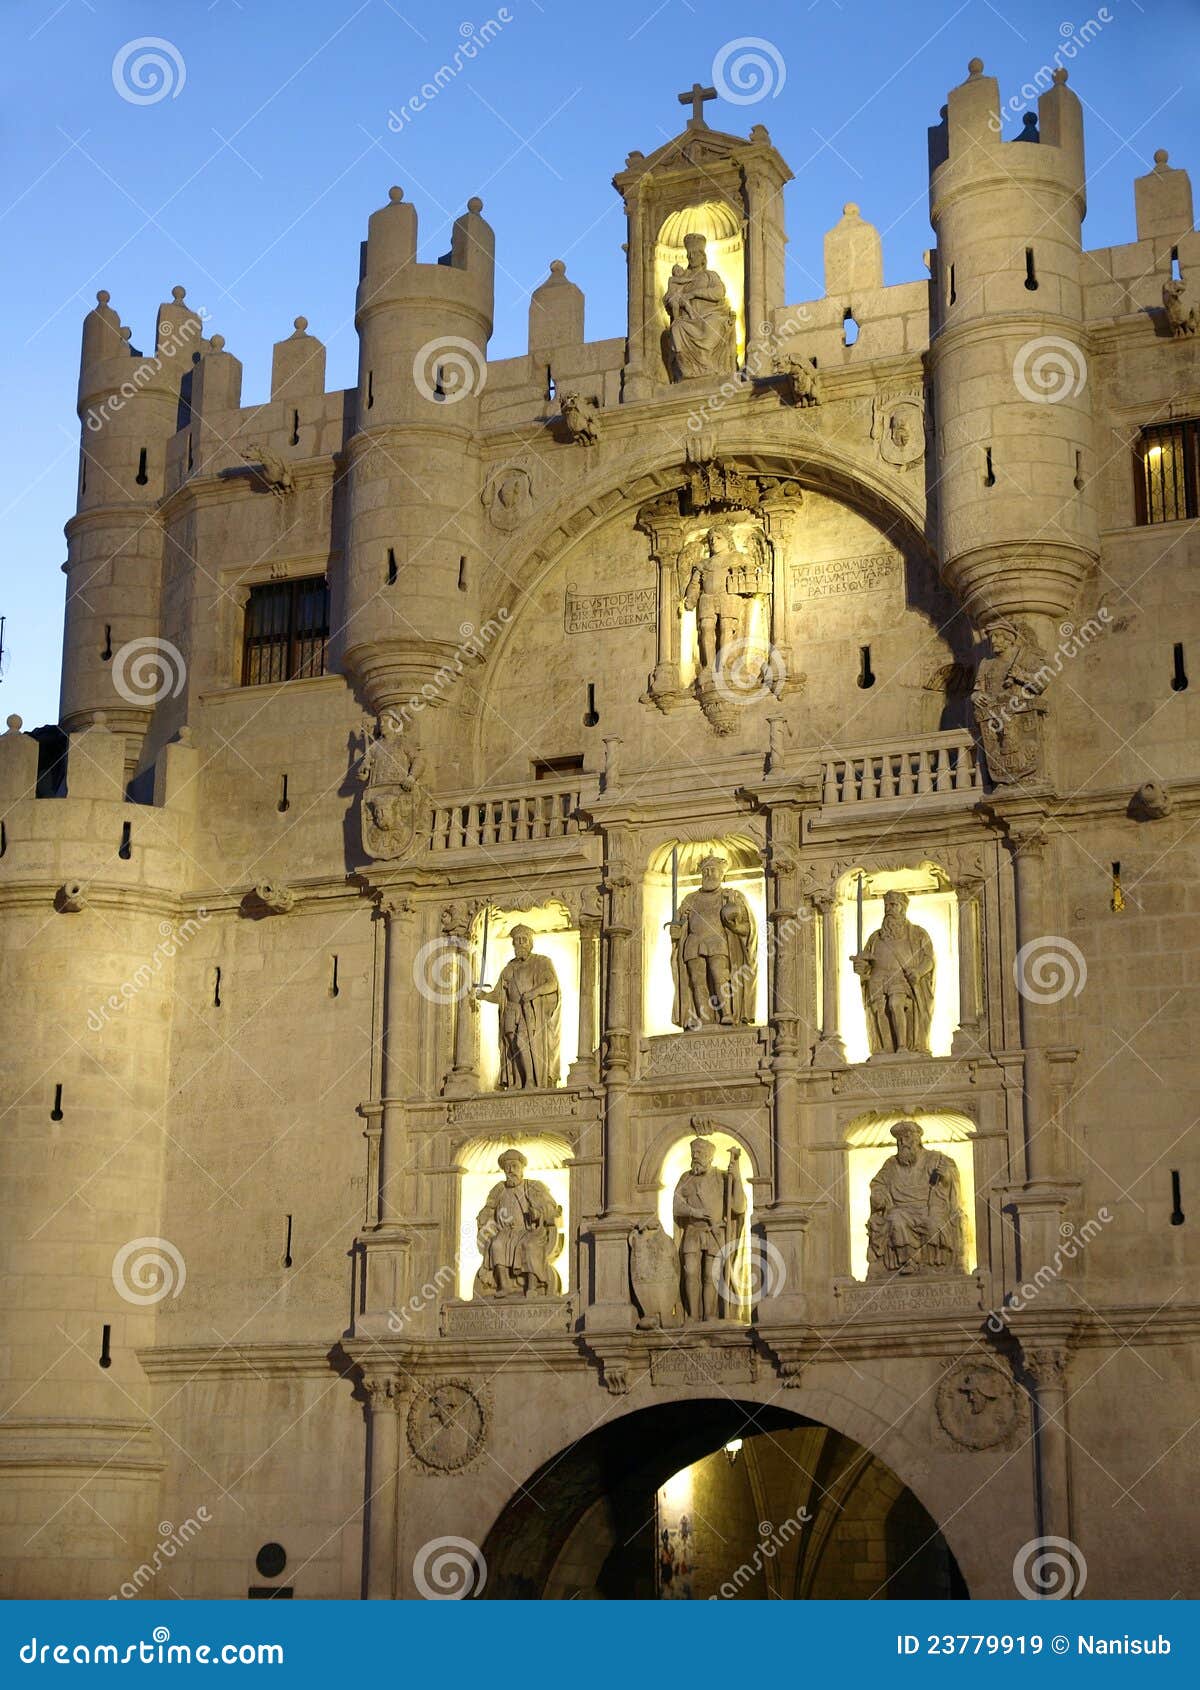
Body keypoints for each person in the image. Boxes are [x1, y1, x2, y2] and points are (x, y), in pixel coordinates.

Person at [867, 1120, 966, 1278]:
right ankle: (909, 1261)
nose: (903, 1142)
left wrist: (945, 1176)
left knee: (935, 1223)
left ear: (917, 1139)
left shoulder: (935, 1159)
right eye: (899, 1140)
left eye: (907, 1138)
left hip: (929, 1208)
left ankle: (940, 1266)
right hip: (900, 1211)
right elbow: (878, 1184)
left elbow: (950, 1181)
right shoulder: (891, 1164)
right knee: (895, 1220)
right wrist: (878, 1195)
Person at [668, 855, 756, 1028]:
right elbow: (677, 926)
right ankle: (704, 1018)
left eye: (713, 870)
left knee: (720, 976)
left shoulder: (730, 896)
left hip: (718, 941)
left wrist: (734, 922)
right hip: (693, 942)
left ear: (722, 874)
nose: (708, 874)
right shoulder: (690, 899)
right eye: (705, 871)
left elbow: (746, 927)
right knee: (696, 980)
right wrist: (676, 929)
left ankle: (727, 1014)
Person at [475, 924, 560, 1088]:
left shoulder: (542, 962)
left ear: (530, 943)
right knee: (512, 1044)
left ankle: (530, 1080)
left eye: (524, 940)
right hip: (511, 1010)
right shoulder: (509, 967)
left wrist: (534, 993)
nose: (520, 943)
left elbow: (552, 984)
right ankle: (517, 1081)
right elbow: (499, 994)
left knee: (522, 1043)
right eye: (516, 941)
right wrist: (484, 996)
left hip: (527, 1010)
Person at [852, 889, 935, 1054]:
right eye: (886, 905)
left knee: (895, 1004)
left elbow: (928, 959)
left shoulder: (917, 934)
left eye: (893, 905)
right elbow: (866, 965)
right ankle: (885, 1048)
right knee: (879, 1010)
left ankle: (903, 1047)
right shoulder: (875, 937)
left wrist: (918, 972)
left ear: (902, 908)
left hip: (900, 979)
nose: (888, 909)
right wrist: (860, 967)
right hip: (877, 979)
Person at [672, 1138, 745, 1320]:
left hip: (715, 1232)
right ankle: (693, 1316)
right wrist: (694, 1212)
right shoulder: (685, 1178)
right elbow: (676, 1206)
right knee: (690, 1272)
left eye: (699, 1154)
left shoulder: (722, 1178)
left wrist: (737, 1178)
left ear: (709, 1156)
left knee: (710, 1275)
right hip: (693, 1232)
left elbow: (738, 1207)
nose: (695, 1157)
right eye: (693, 1153)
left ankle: (709, 1315)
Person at [474, 1149, 562, 1298]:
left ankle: (532, 1287)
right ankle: (504, 1285)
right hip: (506, 1232)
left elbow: (551, 1209)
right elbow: (488, 1209)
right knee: (497, 1244)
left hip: (530, 1231)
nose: (510, 1171)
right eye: (507, 1167)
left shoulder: (534, 1187)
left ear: (522, 1168)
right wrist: (483, 1217)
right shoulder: (499, 1189)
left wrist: (539, 1213)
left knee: (530, 1245)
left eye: (514, 1166)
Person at [663, 233, 737, 380]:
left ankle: (708, 367)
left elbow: (719, 292)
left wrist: (696, 293)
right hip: (688, 320)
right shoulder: (681, 279)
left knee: (711, 327)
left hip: (711, 315)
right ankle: (687, 370)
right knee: (677, 328)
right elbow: (669, 300)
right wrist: (671, 297)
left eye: (696, 254)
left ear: (703, 257)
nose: (692, 257)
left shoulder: (710, 275)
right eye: (689, 254)